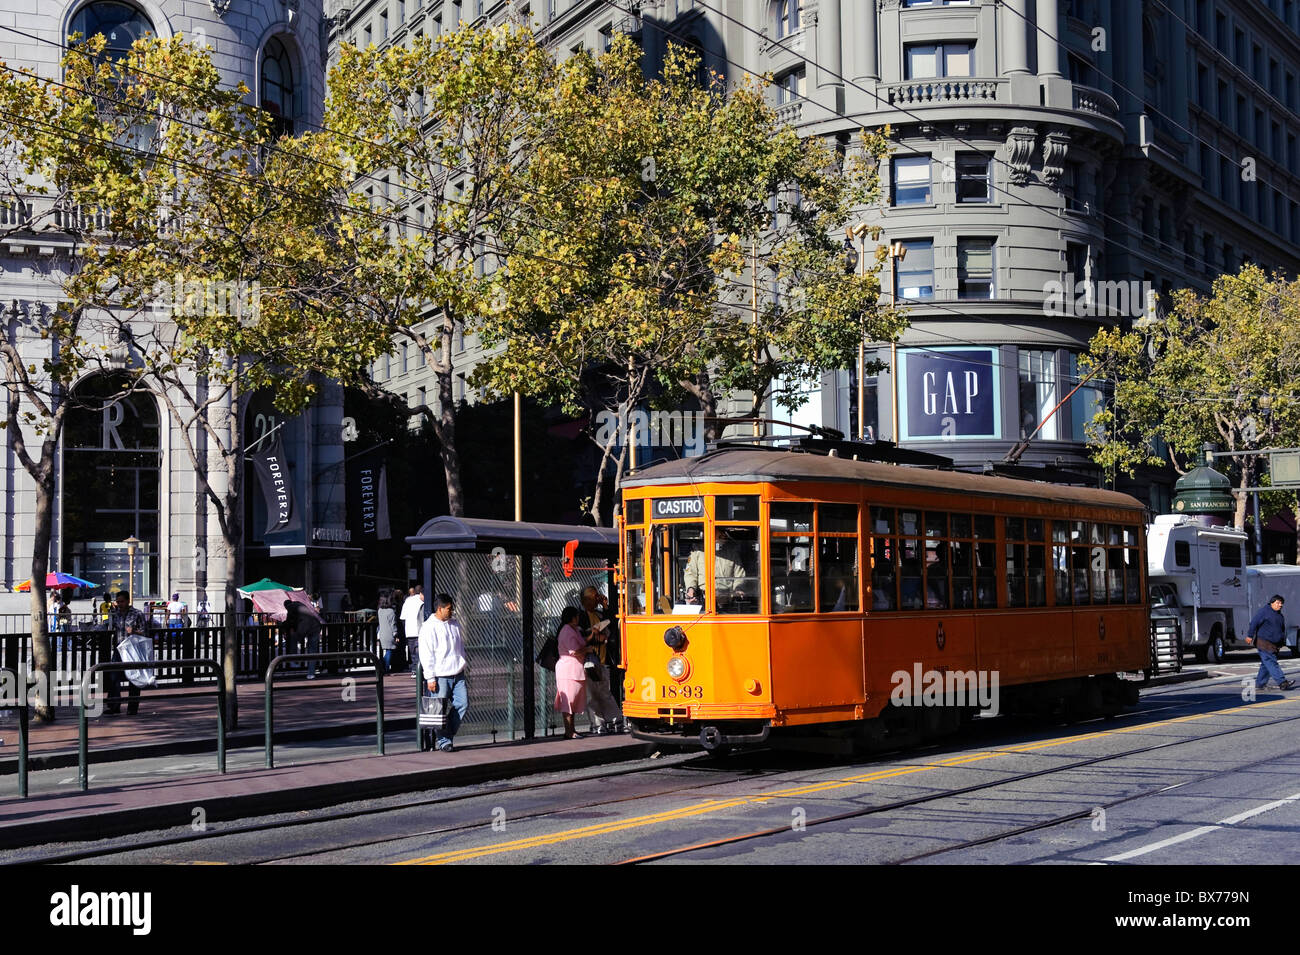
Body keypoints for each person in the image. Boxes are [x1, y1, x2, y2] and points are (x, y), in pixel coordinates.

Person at [418, 593, 468, 752]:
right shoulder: (428, 627)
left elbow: (460, 646)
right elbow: (426, 654)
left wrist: (463, 663)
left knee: (463, 704)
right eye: (449, 609)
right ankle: (444, 740)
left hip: (457, 672)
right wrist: (430, 677)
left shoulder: (454, 623)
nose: (451, 611)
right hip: (440, 675)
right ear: (439, 609)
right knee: (438, 710)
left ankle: (446, 735)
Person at [579, 585, 624, 734]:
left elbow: (612, 622)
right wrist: (598, 638)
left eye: (596, 596)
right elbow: (581, 637)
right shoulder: (580, 616)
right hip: (589, 661)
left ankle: (615, 720)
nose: (595, 600)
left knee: (605, 692)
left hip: (603, 660)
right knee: (592, 695)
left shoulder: (599, 614)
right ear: (584, 600)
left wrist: (606, 606)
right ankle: (598, 724)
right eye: (592, 597)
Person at [103, 591, 151, 716]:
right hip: (119, 649)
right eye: (118, 601)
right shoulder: (115, 614)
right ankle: (114, 705)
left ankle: (132, 707)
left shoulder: (137, 614)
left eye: (122, 601)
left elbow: (145, 632)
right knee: (113, 677)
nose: (119, 604)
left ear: (128, 601)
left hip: (133, 650)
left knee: (134, 678)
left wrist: (134, 631)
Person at [1247, 593, 1296, 691]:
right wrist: (1249, 635)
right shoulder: (1264, 612)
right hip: (1264, 643)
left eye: (1281, 603)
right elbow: (1254, 622)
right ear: (1272, 603)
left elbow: (1281, 629)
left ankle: (1260, 684)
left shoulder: (1279, 615)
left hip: (1273, 645)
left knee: (1266, 664)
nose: (1280, 605)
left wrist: (1281, 642)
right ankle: (1282, 682)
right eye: (1278, 603)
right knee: (1271, 662)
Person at [554, 607, 588, 739]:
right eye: (577, 616)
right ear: (572, 617)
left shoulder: (573, 629)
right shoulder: (567, 631)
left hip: (573, 669)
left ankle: (571, 730)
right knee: (568, 701)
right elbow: (574, 651)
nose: (578, 618)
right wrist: (587, 650)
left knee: (572, 701)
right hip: (568, 670)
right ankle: (569, 731)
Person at [284, 599, 322, 679]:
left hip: (304, 627)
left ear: (286, 606)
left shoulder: (290, 607)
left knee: (293, 640)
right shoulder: (301, 605)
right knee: (312, 651)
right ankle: (311, 673)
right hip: (315, 626)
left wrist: (284, 625)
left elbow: (290, 621)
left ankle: (293, 660)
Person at [400, 585, 425, 676]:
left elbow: (403, 617)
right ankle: (420, 669)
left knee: (413, 652)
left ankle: (415, 669)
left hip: (410, 630)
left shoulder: (408, 601)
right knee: (421, 651)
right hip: (421, 630)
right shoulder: (423, 600)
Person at [376, 591, 398, 675]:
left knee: (387, 650)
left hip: (382, 633)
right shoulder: (391, 611)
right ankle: (385, 668)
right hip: (389, 633)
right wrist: (395, 633)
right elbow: (393, 624)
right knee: (389, 651)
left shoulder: (380, 611)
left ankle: (381, 665)